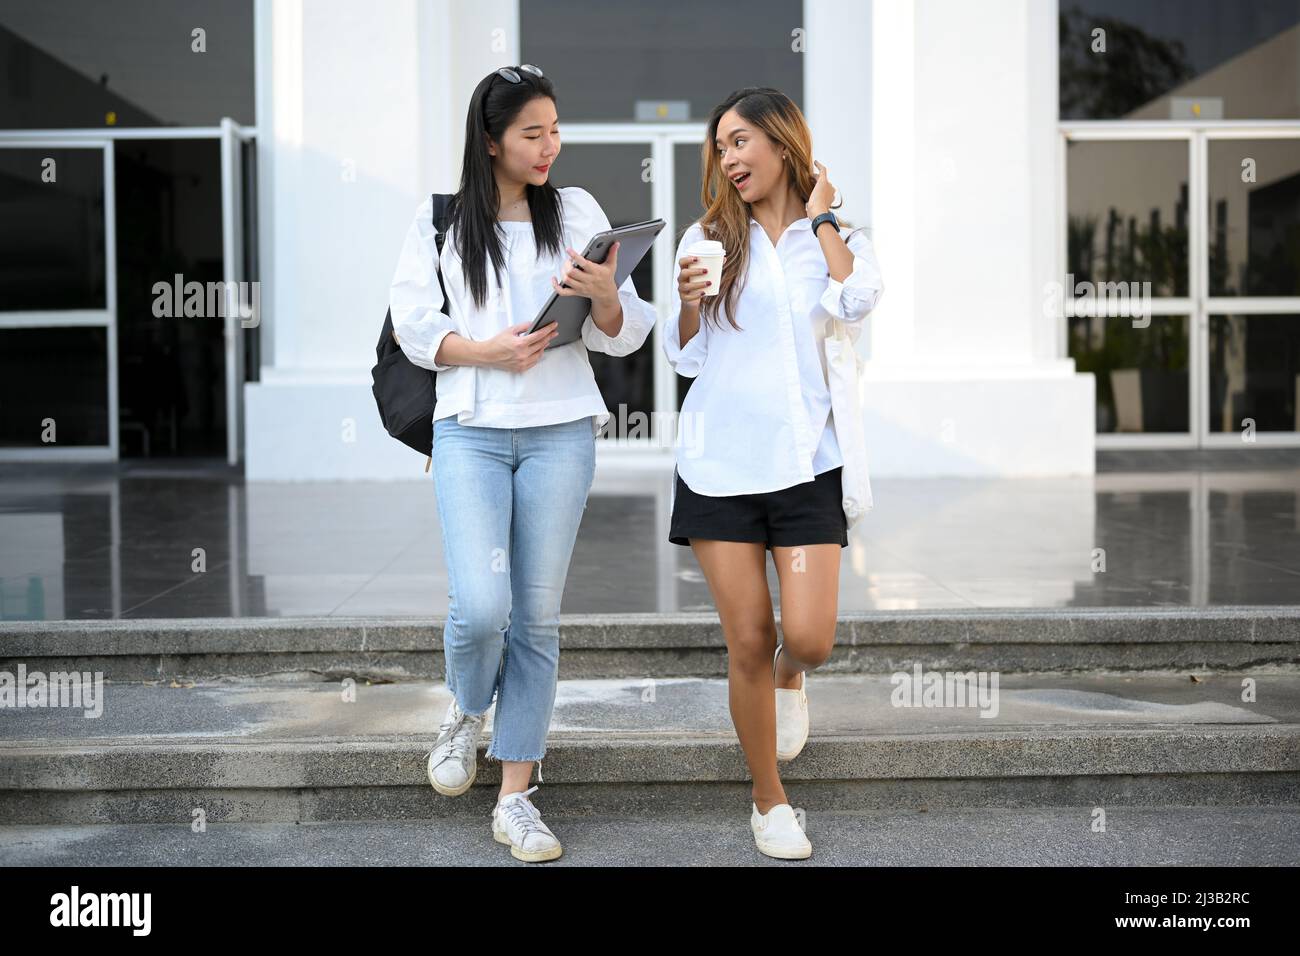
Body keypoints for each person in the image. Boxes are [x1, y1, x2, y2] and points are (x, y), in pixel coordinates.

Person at [388, 63, 656, 863]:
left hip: (561, 430)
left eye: (555, 130)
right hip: (470, 426)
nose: (550, 146)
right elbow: (413, 323)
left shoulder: (575, 211)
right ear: (491, 140)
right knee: (480, 606)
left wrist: (605, 293)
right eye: (532, 133)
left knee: (534, 618)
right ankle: (467, 711)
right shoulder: (440, 219)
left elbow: (626, 330)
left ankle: (516, 798)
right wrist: (489, 352)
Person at [664, 87, 884, 860]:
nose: (728, 158)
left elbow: (857, 301)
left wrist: (822, 219)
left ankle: (796, 681)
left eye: (740, 141)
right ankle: (769, 801)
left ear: (783, 144)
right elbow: (683, 354)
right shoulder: (706, 236)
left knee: (811, 638)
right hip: (720, 466)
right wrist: (690, 304)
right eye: (719, 146)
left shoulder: (836, 237)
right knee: (750, 639)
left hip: (806, 465)